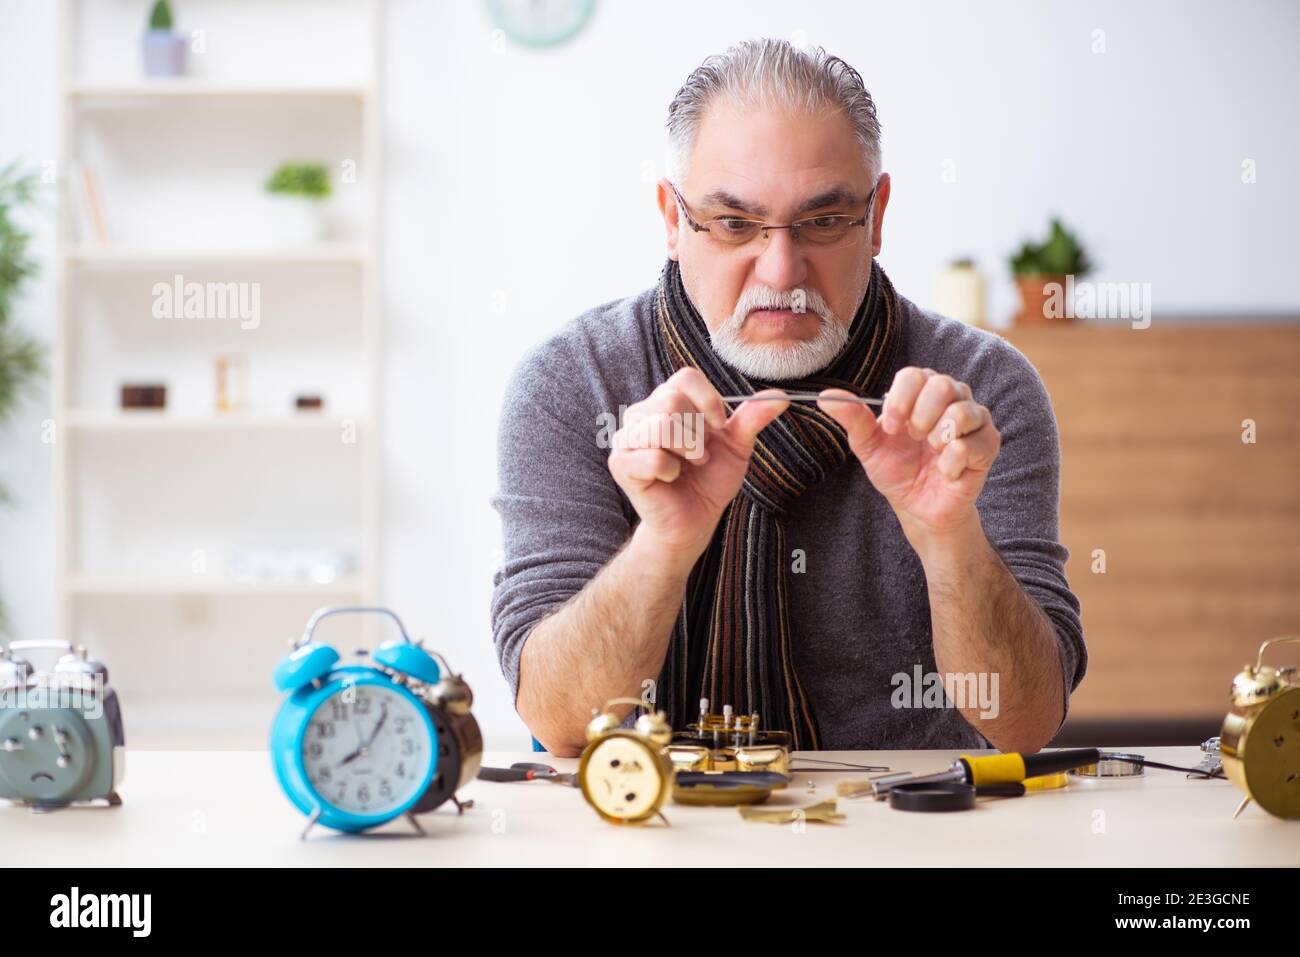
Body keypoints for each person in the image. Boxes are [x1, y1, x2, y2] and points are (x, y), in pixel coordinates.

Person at [491, 39, 1085, 756]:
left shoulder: (979, 394)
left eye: (823, 221)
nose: (780, 269)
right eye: (735, 223)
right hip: (645, 821)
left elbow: (1023, 723)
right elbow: (560, 721)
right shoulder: (571, 384)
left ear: (877, 216)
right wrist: (663, 546)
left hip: (909, 826)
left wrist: (950, 537)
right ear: (673, 220)